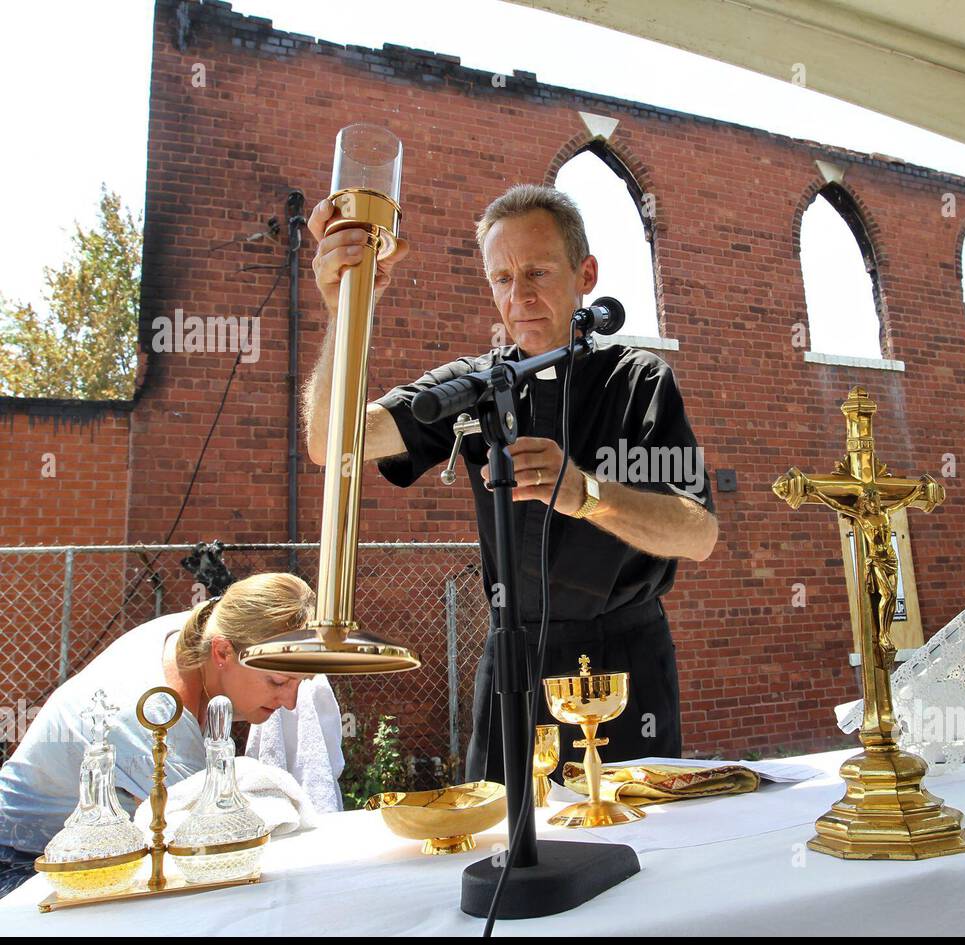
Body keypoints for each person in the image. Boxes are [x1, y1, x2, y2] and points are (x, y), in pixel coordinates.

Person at [304, 183, 718, 784]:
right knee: (502, 846)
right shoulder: (473, 387)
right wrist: (346, 311)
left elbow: (698, 533)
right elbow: (332, 444)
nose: (519, 297)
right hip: (514, 663)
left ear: (586, 274)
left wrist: (586, 494)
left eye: (538, 272)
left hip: (623, 664)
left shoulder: (637, 382)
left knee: (637, 849)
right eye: (501, 279)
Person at [0, 572, 336, 897]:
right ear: (222, 653)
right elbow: (203, 845)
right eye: (278, 682)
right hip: (23, 863)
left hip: (89, 855)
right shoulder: (152, 716)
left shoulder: (204, 628)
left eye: (300, 684)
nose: (291, 703)